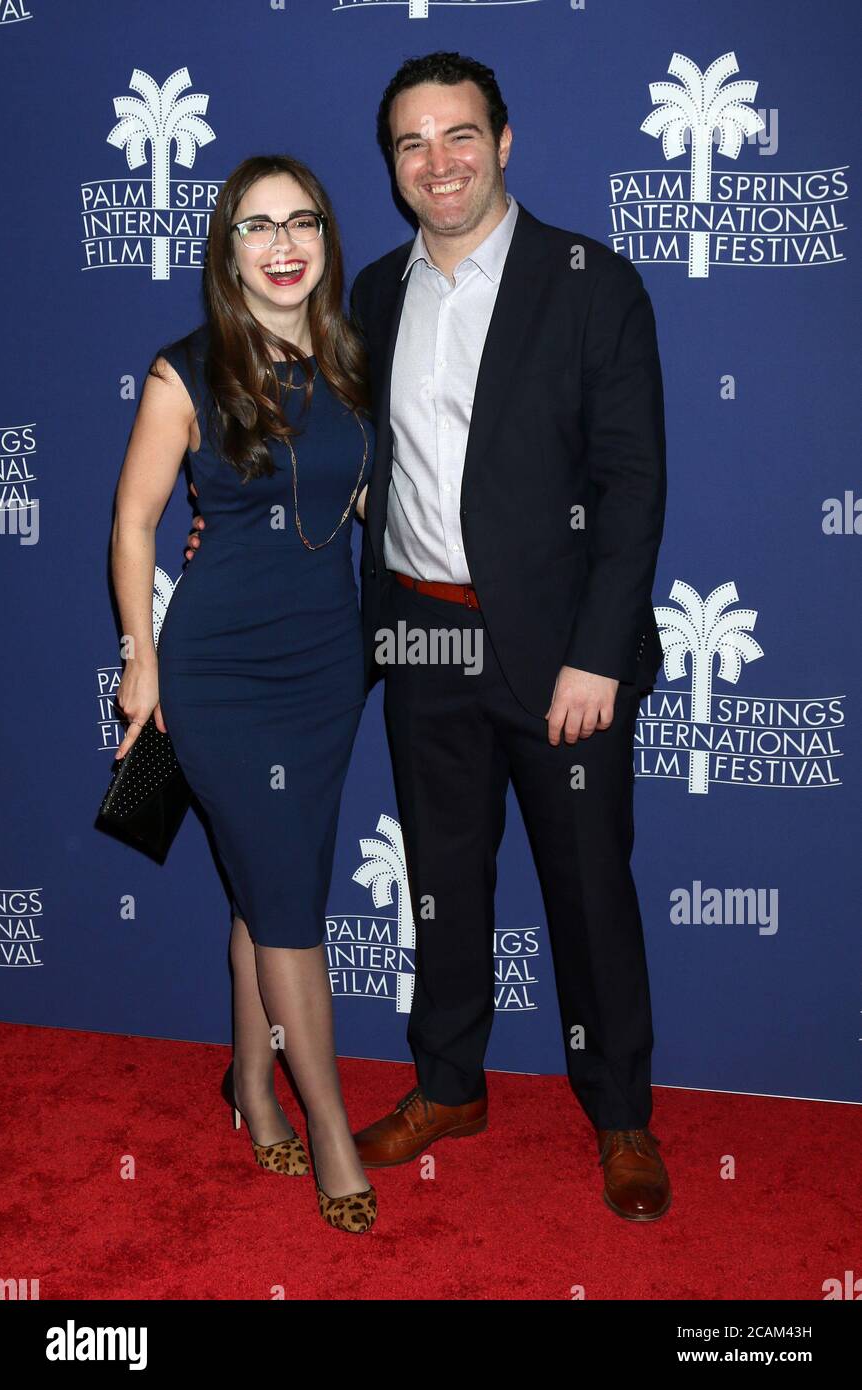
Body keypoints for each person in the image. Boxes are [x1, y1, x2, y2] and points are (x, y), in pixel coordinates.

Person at [188, 51, 671, 1221]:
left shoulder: (588, 283)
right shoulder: (374, 301)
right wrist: (229, 536)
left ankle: (618, 1115)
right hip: (419, 635)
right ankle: (449, 1084)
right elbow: (328, 468)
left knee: (586, 888)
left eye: (459, 136)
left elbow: (632, 483)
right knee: (441, 882)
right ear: (393, 168)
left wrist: (597, 652)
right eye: (412, 144)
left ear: (503, 143)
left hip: (559, 652)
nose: (437, 162)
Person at [110, 154, 377, 1235]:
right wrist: (141, 655)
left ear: (323, 238)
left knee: (265, 892)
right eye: (256, 225)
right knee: (289, 909)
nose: (281, 243)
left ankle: (251, 1084)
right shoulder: (186, 371)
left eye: (300, 221)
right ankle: (329, 1126)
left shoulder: (357, 361)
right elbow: (134, 521)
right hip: (218, 668)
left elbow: (363, 499)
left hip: (325, 666)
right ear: (228, 249)